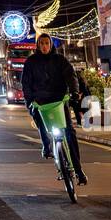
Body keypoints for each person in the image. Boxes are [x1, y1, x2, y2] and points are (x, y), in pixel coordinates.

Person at [21, 33, 86, 185]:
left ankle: (78, 170)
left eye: (46, 43)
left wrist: (74, 92)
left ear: (50, 45)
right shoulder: (31, 62)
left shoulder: (60, 60)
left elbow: (71, 76)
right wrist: (29, 101)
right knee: (38, 120)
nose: (44, 46)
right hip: (40, 101)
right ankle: (46, 145)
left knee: (69, 132)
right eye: (41, 43)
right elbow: (26, 84)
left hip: (59, 100)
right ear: (37, 45)